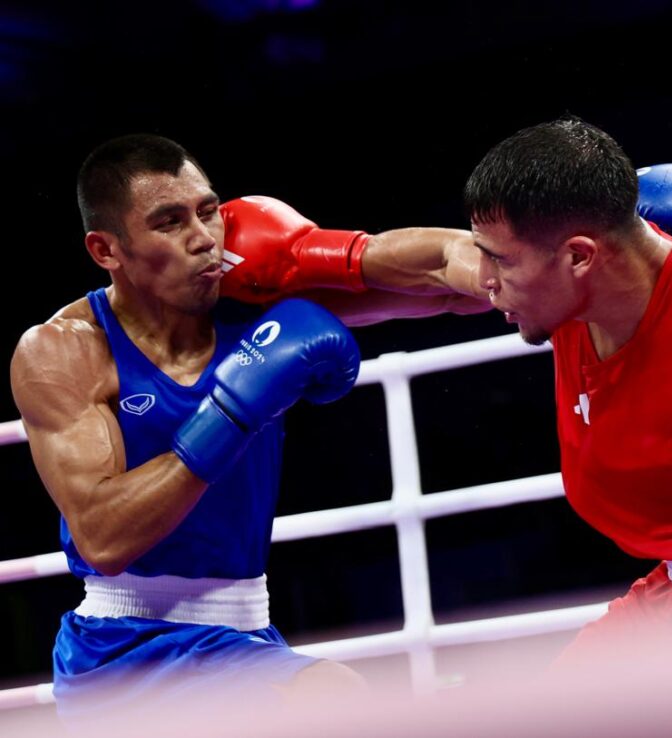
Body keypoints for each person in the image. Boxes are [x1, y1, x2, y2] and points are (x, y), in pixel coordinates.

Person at [217, 116, 672, 665]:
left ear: (579, 257)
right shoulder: (550, 277)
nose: (484, 279)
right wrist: (299, 257)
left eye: (500, 263)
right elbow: (430, 264)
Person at [7, 133, 488, 719]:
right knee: (333, 698)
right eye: (169, 222)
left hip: (244, 638)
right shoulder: (66, 350)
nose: (203, 237)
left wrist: (539, 261)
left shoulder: (254, 307)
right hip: (125, 650)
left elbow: (445, 280)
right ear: (107, 250)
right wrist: (232, 412)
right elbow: (103, 539)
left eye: (208, 210)